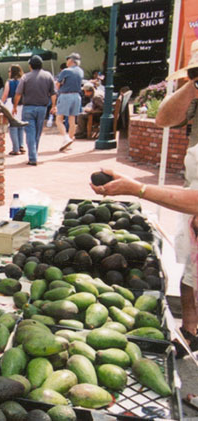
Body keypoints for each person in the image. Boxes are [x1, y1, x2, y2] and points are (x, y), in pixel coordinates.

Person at [147, 39, 198, 353]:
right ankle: (190, 330)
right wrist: (192, 85)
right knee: (190, 268)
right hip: (192, 193)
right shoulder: (195, 93)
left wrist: (137, 188)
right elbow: (163, 118)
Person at [13, 55, 56, 166]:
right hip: (42, 108)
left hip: (28, 107)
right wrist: (54, 106)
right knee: (37, 133)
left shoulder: (25, 77)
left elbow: (18, 93)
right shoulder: (48, 76)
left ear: (30, 65)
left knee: (30, 133)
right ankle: (34, 154)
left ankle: (32, 157)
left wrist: (15, 106)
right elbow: (53, 93)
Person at [54, 52, 84, 151]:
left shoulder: (66, 71)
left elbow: (57, 85)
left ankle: (66, 138)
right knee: (72, 120)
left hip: (65, 95)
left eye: (67, 59)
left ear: (71, 60)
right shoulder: (80, 71)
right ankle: (70, 141)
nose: (66, 61)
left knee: (59, 119)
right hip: (77, 96)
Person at [2, 64, 26, 155]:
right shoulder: (23, 81)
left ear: (12, 72)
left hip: (11, 104)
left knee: (13, 126)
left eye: (9, 71)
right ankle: (21, 146)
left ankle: (15, 148)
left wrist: (0, 103)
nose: (8, 73)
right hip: (22, 104)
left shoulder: (9, 82)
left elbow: (5, 95)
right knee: (20, 125)